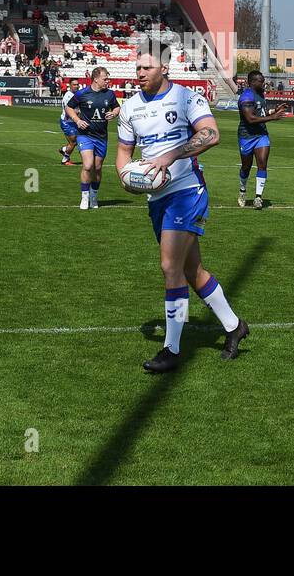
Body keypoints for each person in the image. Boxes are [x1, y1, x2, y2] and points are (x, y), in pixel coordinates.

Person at [115, 43, 247, 373]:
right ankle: (234, 326)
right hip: (157, 198)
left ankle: (172, 350)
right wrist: (125, 177)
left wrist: (171, 155)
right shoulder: (130, 108)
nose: (140, 73)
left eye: (146, 67)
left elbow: (211, 133)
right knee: (192, 271)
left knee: (169, 266)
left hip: (187, 192)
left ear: (164, 68)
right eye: (138, 67)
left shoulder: (187, 98)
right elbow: (123, 153)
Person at [65, 67, 120, 209]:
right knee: (88, 165)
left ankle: (94, 195)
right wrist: (77, 120)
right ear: (96, 79)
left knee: (97, 167)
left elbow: (116, 107)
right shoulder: (82, 93)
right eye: (105, 79)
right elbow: (69, 107)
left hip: (101, 136)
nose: (107, 81)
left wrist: (113, 114)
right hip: (85, 135)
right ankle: (84, 197)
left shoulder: (110, 94)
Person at [236, 71, 287, 209]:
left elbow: (261, 112)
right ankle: (242, 190)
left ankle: (258, 197)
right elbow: (250, 119)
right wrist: (273, 118)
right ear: (252, 82)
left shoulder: (260, 94)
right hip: (246, 135)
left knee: (262, 164)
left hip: (261, 135)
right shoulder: (246, 97)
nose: (263, 83)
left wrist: (274, 111)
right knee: (246, 167)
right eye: (260, 80)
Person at [58, 81, 79, 165]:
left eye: (77, 84)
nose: (76, 86)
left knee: (76, 141)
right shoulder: (68, 96)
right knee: (73, 142)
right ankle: (65, 160)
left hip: (73, 121)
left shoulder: (77, 95)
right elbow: (69, 111)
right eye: (74, 85)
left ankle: (64, 149)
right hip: (67, 122)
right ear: (70, 86)